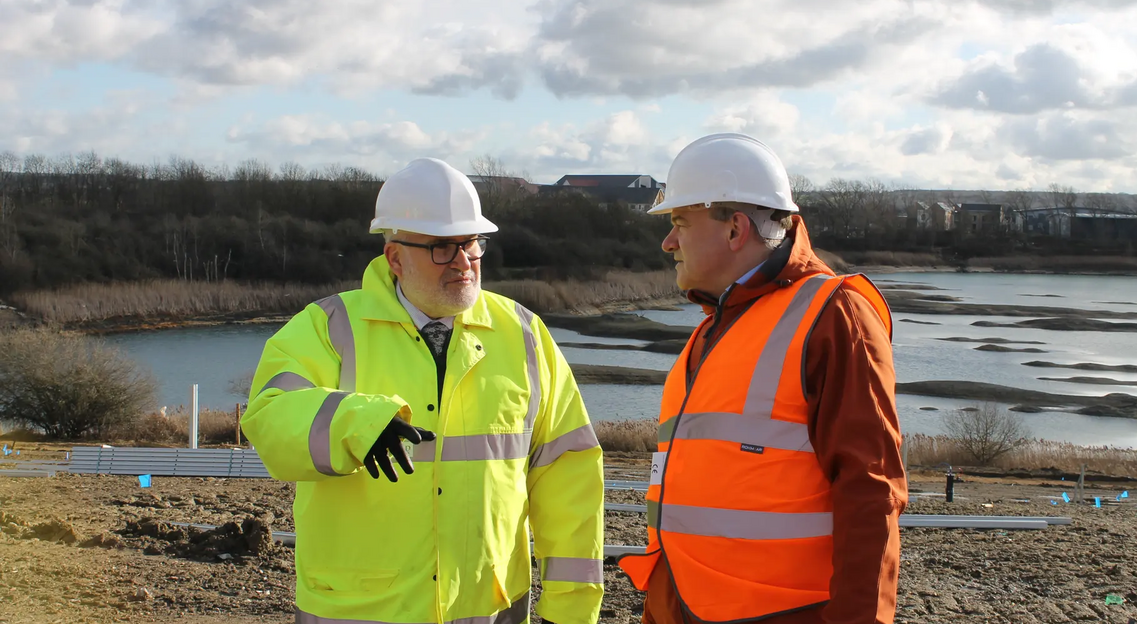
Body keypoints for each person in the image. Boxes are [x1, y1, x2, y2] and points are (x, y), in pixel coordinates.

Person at [241, 158, 604, 624]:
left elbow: (568, 476)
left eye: (471, 244)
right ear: (395, 257)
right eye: (440, 247)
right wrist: (356, 423)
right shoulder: (327, 327)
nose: (462, 263)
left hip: (487, 611)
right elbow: (270, 419)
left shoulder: (524, 334)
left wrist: (571, 612)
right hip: (360, 612)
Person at [617, 134, 906, 624]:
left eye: (679, 223)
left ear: (735, 229)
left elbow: (871, 493)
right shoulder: (716, 326)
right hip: (683, 607)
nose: (667, 243)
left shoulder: (834, 316)